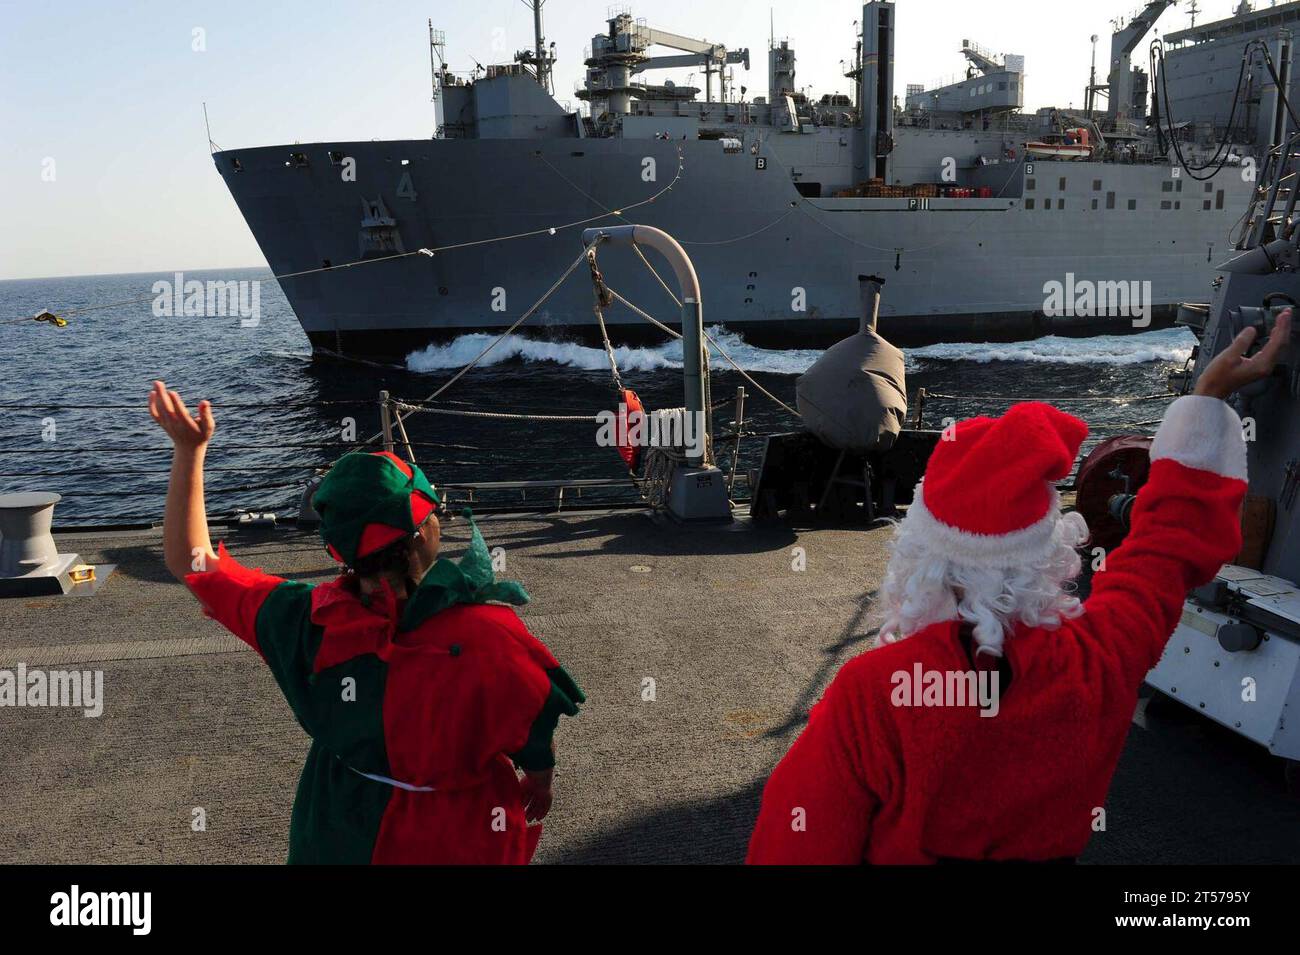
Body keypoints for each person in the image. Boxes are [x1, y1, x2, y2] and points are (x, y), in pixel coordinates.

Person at [747, 312, 1292, 864]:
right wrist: (1208, 400)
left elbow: (794, 846)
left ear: (918, 556)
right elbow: (1167, 548)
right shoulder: (1100, 658)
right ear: (1049, 551)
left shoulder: (873, 692)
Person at [148, 381, 583, 864]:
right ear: (426, 533)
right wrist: (539, 780)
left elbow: (191, 561)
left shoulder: (301, 619)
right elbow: (532, 723)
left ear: (340, 549)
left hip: (339, 825)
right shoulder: (493, 635)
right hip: (458, 833)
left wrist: (190, 451)